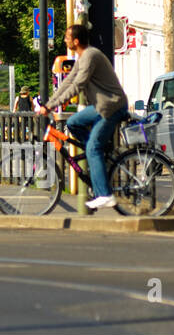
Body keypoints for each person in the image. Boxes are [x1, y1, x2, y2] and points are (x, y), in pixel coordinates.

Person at [36, 24, 130, 210]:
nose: (65, 40)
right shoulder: (82, 57)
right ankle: (97, 151)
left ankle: (105, 195)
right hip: (100, 106)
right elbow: (68, 81)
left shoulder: (90, 56)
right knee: (73, 122)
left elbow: (77, 85)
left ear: (76, 41)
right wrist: (49, 103)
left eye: (67, 37)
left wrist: (51, 106)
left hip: (111, 106)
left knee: (93, 148)